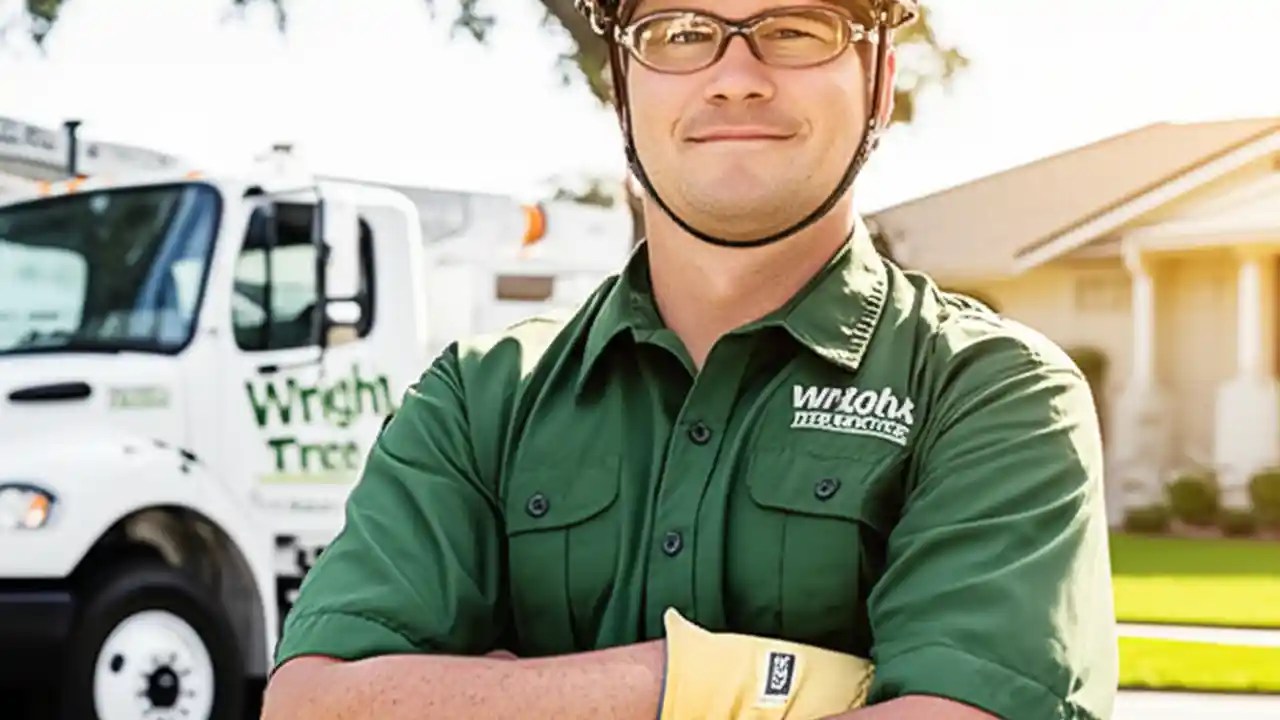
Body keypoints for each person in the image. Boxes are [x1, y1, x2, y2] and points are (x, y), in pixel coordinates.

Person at [261, 0, 1119, 718]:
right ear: (621, 89)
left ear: (880, 81)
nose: (736, 74)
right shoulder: (479, 398)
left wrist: (504, 691)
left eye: (796, 26)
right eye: (679, 29)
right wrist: (722, 683)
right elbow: (313, 706)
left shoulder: (991, 394)